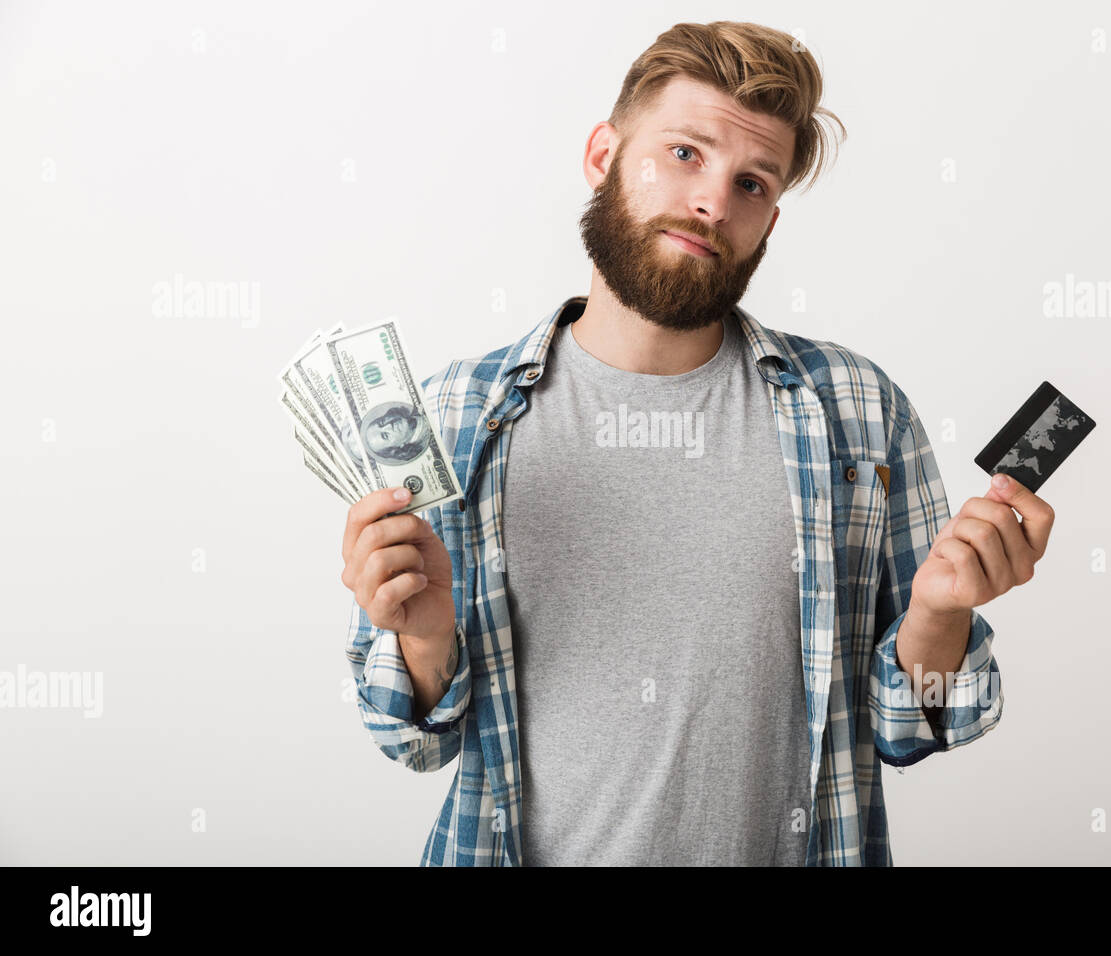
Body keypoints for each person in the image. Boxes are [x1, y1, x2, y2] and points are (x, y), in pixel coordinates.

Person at [339, 20, 1054, 866]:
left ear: (771, 224)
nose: (715, 200)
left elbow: (917, 724)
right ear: (603, 154)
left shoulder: (859, 412)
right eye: (684, 153)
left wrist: (940, 614)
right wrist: (422, 643)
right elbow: (411, 741)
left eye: (751, 182)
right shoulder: (457, 414)